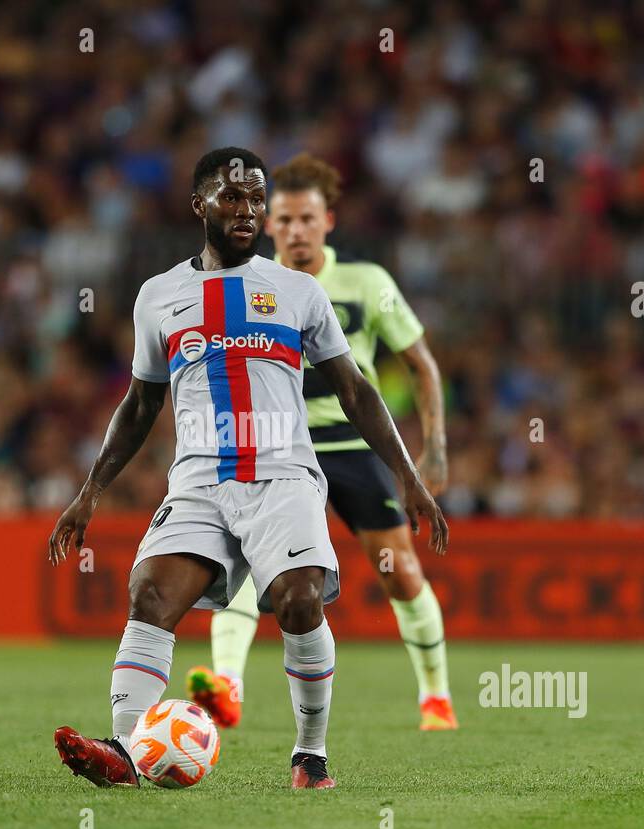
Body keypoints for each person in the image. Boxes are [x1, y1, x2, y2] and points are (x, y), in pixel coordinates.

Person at [48, 147, 449, 790]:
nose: (247, 210)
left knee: (297, 599)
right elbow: (141, 402)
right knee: (149, 594)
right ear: (197, 204)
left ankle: (310, 754)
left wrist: (408, 475)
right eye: (231, 197)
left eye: (256, 199)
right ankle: (123, 750)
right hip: (199, 479)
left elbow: (356, 390)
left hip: (283, 474)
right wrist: (90, 490)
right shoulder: (158, 297)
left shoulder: (295, 290)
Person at [186, 153, 456, 732]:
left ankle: (436, 697)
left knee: (398, 569)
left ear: (327, 220)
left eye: (306, 219)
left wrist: (431, 449)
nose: (294, 231)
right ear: (268, 224)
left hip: (351, 444)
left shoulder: (367, 283)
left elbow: (421, 365)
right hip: (277, 445)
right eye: (282, 220)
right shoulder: (249, 283)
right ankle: (226, 687)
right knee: (244, 563)